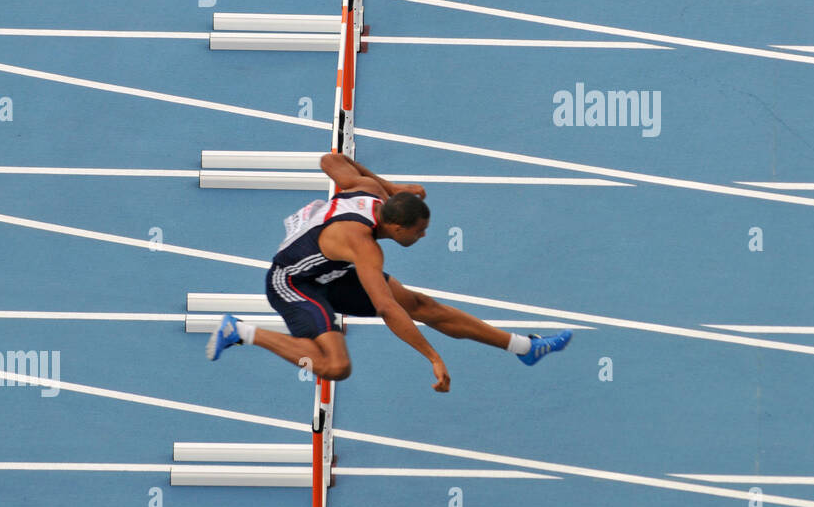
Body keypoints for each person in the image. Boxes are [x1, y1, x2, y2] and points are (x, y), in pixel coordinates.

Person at [206, 152, 571, 390]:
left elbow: (330, 160)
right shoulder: (364, 246)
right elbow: (385, 308)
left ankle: (524, 346)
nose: (424, 235)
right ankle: (240, 330)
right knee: (335, 367)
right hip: (292, 283)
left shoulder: (371, 191)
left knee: (423, 305)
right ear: (396, 229)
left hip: (329, 272)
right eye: (419, 231)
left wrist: (391, 187)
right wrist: (433, 356)